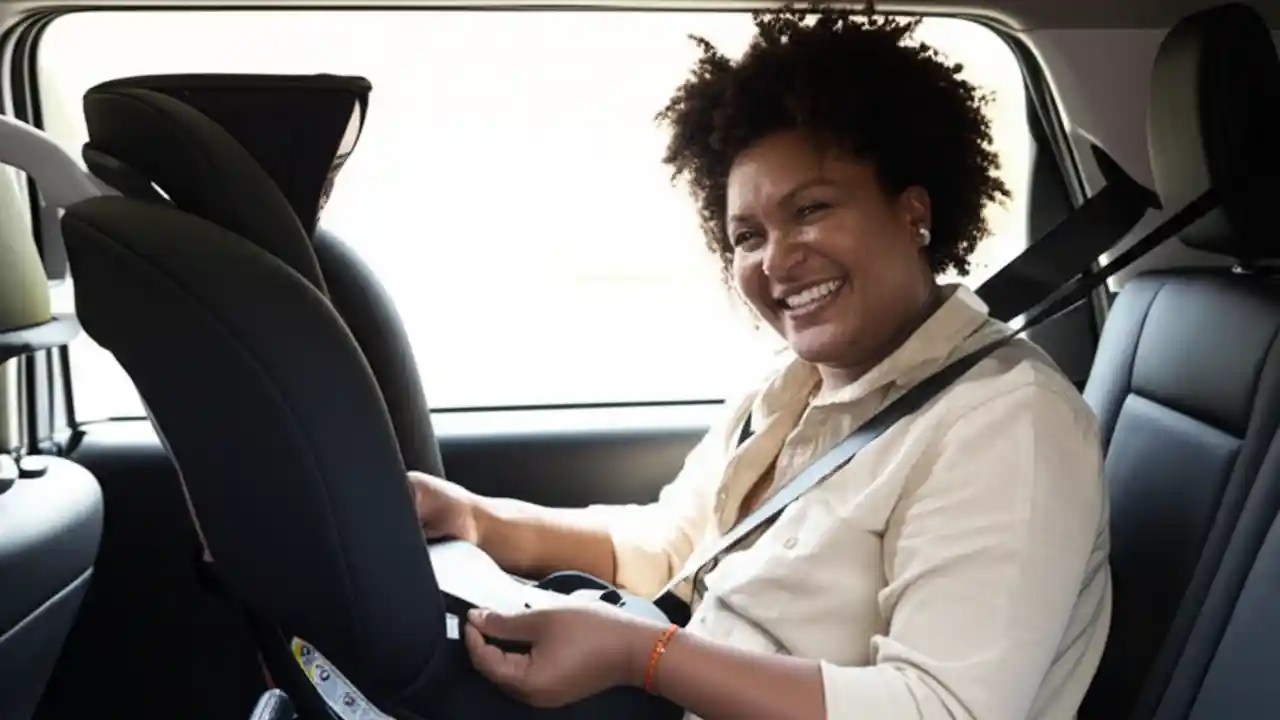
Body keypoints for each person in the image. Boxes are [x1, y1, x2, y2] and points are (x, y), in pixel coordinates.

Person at [411, 8, 1110, 719]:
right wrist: (477, 521)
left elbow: (941, 709)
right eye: (748, 235)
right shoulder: (791, 387)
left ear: (912, 213)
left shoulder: (1006, 421)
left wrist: (641, 656)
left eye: (810, 210)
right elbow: (669, 546)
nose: (775, 259)